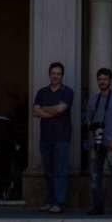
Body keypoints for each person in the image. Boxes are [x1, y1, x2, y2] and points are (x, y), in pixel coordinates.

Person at [32, 60, 74, 213]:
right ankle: (50, 201)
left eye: (58, 74)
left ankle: (59, 203)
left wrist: (44, 110)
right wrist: (53, 111)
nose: (56, 76)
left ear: (62, 76)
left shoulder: (67, 92)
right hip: (45, 137)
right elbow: (35, 112)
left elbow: (61, 109)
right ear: (49, 75)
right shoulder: (42, 92)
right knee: (48, 171)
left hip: (62, 137)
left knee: (60, 170)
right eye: (53, 73)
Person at [86, 66, 112, 215]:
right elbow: (89, 122)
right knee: (95, 176)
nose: (102, 82)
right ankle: (98, 206)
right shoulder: (93, 99)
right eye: (100, 79)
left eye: (105, 79)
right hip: (96, 144)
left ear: (110, 80)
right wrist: (91, 139)